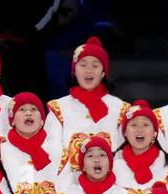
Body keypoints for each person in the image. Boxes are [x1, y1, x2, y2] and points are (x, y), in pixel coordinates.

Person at [46, 37, 128, 174]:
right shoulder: (58, 108)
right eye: (83, 65)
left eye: (95, 65)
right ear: (74, 71)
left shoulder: (120, 109)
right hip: (69, 186)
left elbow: (125, 153)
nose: (88, 70)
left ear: (103, 73)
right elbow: (51, 149)